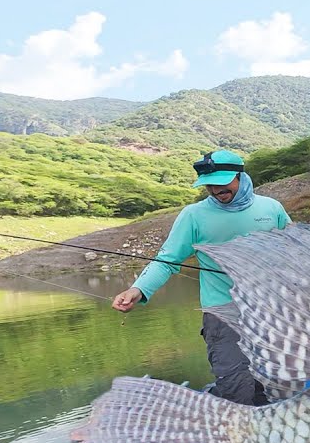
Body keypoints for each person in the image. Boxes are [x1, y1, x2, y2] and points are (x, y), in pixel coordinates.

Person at [111, 149, 291, 405]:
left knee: (279, 383)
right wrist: (137, 290)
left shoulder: (272, 209)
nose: (216, 190)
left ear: (241, 177)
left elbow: (295, 253)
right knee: (235, 387)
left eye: (222, 183)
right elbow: (167, 260)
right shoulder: (193, 215)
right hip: (222, 313)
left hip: (273, 310)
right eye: (209, 185)